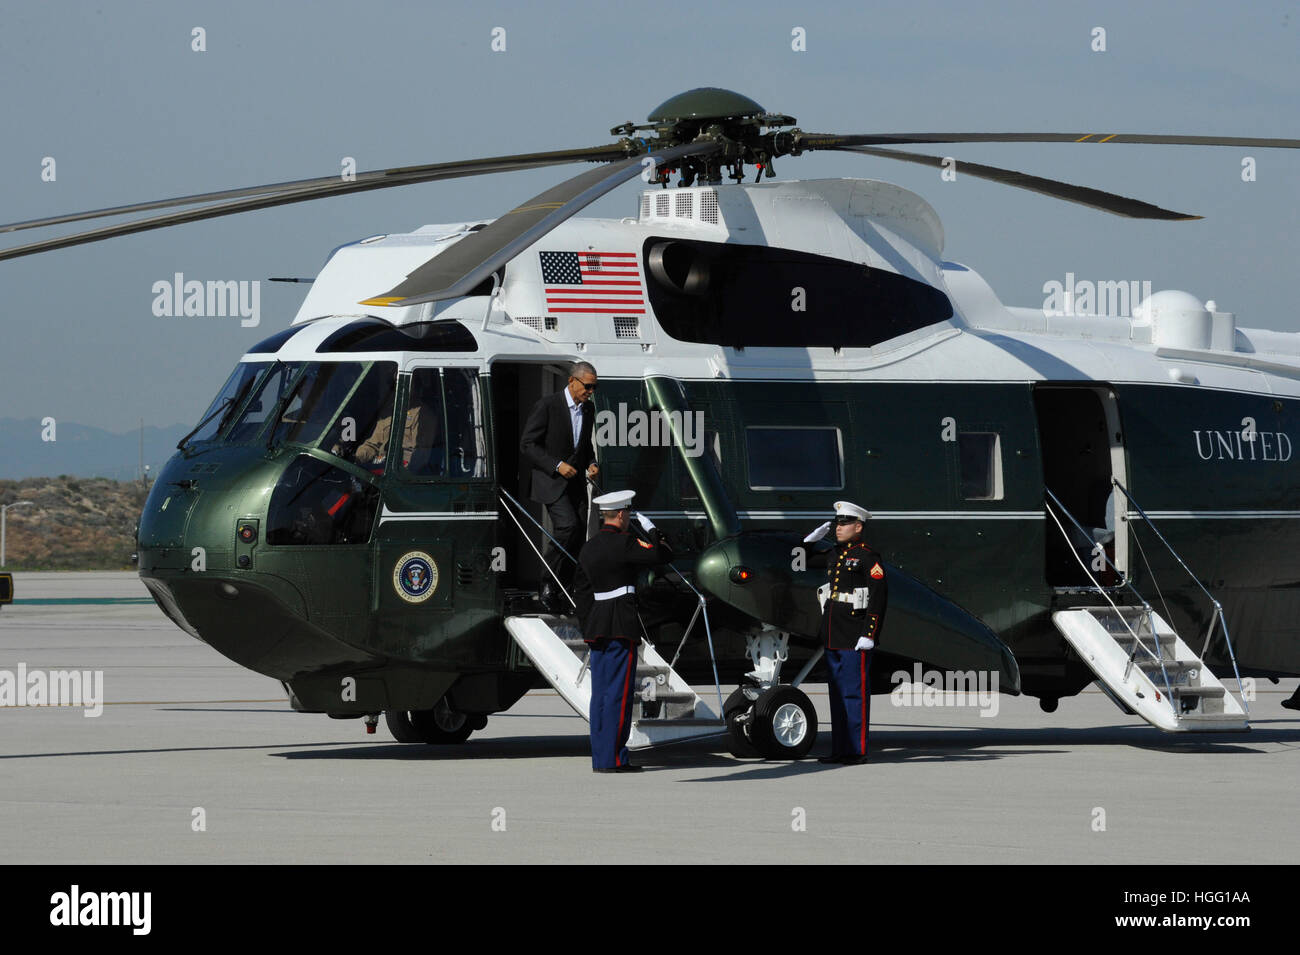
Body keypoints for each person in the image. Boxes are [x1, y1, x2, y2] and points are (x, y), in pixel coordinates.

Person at [574, 490, 671, 773]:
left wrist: (588, 624)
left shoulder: (589, 547)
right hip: (620, 626)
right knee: (619, 694)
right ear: (620, 514)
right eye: (628, 513)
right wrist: (652, 530)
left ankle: (601, 757)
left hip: (597, 627)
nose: (629, 517)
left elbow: (580, 591)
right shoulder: (625, 543)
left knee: (601, 695)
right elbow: (662, 555)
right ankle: (614, 759)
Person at [809, 501, 887, 765]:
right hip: (834, 632)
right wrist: (808, 542)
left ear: (858, 526)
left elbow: (878, 597)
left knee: (854, 694)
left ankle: (856, 750)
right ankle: (840, 749)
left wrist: (869, 633)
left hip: (855, 634)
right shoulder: (835, 553)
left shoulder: (867, 557)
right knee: (837, 695)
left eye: (844, 524)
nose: (838, 528)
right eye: (837, 523)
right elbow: (801, 561)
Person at [520, 362, 600, 610]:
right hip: (552, 481)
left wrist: (592, 463)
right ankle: (546, 582)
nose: (590, 391)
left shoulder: (588, 410)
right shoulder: (547, 405)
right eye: (587, 386)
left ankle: (563, 588)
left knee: (577, 537)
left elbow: (583, 446)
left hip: (575, 483)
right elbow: (528, 444)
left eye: (594, 387)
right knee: (568, 527)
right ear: (572, 382)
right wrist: (556, 465)